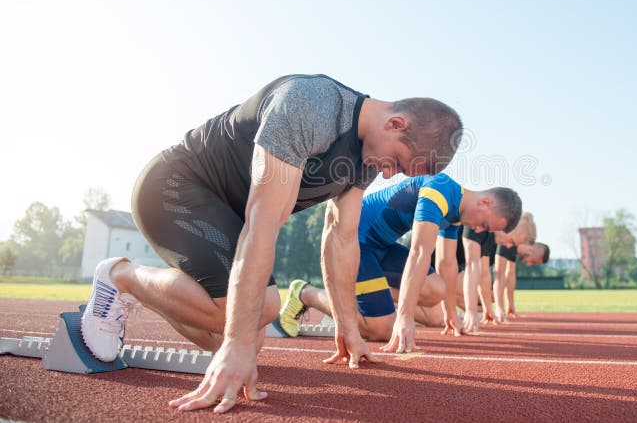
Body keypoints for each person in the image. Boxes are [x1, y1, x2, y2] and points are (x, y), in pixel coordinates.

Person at [79, 74, 462, 414]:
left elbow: (341, 237)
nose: (388, 174)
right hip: (174, 190)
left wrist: (349, 327)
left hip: (230, 216)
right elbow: (262, 225)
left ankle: (161, 295)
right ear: (396, 124)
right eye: (396, 162)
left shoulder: (367, 158)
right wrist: (235, 342)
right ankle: (121, 276)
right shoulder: (310, 105)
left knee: (250, 330)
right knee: (247, 318)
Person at [277, 173, 521, 352]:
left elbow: (446, 263)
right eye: (484, 225)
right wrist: (404, 317)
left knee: (436, 290)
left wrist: (450, 314)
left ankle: (362, 298)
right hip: (354, 241)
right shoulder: (440, 191)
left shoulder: (456, 214)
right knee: (383, 329)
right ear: (485, 202)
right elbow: (418, 252)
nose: (479, 229)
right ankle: (306, 293)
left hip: (380, 246)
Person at [492, 213, 550, 322]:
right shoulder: (508, 243)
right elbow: (499, 274)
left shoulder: (514, 248)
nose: (528, 264)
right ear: (531, 249)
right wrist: (499, 307)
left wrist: (510, 304)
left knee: (488, 296)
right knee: (489, 294)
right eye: (533, 261)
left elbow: (510, 274)